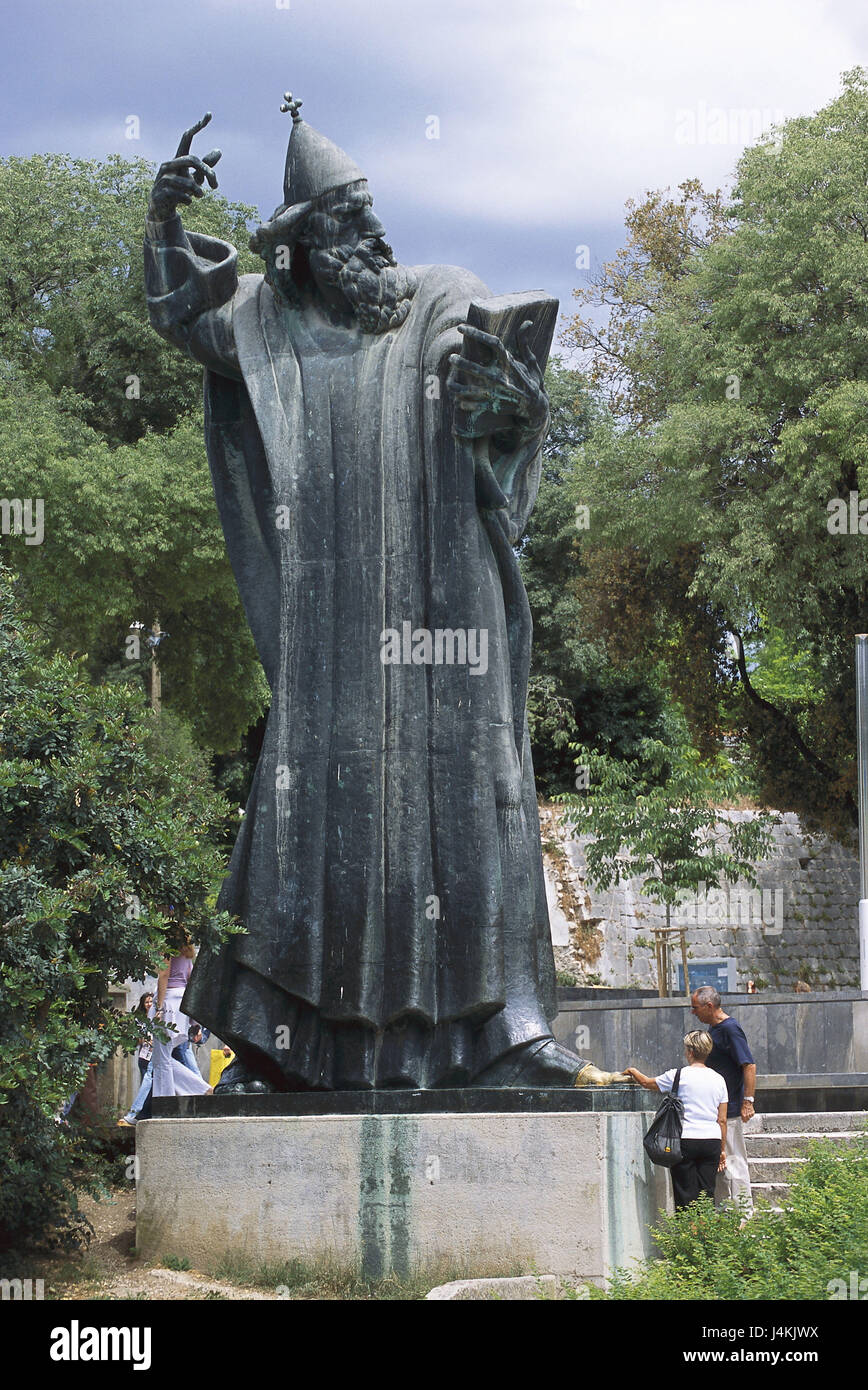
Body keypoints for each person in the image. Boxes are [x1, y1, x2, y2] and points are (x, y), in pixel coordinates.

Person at [626, 1031, 728, 1211]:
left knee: (685, 1196)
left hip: (685, 1140)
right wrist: (722, 1150)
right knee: (707, 1195)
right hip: (711, 1140)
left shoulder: (678, 1075)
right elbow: (722, 1120)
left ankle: (686, 1235)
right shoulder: (719, 1079)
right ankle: (705, 1236)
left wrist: (633, 1071)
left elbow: (648, 1083)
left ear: (689, 1051)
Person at [691, 985, 756, 1217]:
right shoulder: (714, 1029)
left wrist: (748, 1100)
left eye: (695, 1008)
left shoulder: (730, 1028)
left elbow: (748, 1064)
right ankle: (726, 1214)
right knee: (720, 1165)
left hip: (731, 1110)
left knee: (735, 1161)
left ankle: (744, 1217)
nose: (693, 1013)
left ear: (709, 1006)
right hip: (714, 1110)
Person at [151, 938, 213, 1100]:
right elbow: (190, 978)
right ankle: (199, 1089)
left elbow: (164, 974)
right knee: (162, 1058)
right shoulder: (187, 952)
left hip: (168, 1000)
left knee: (162, 1059)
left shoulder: (168, 946)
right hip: (180, 1001)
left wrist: (159, 1006)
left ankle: (165, 1101)